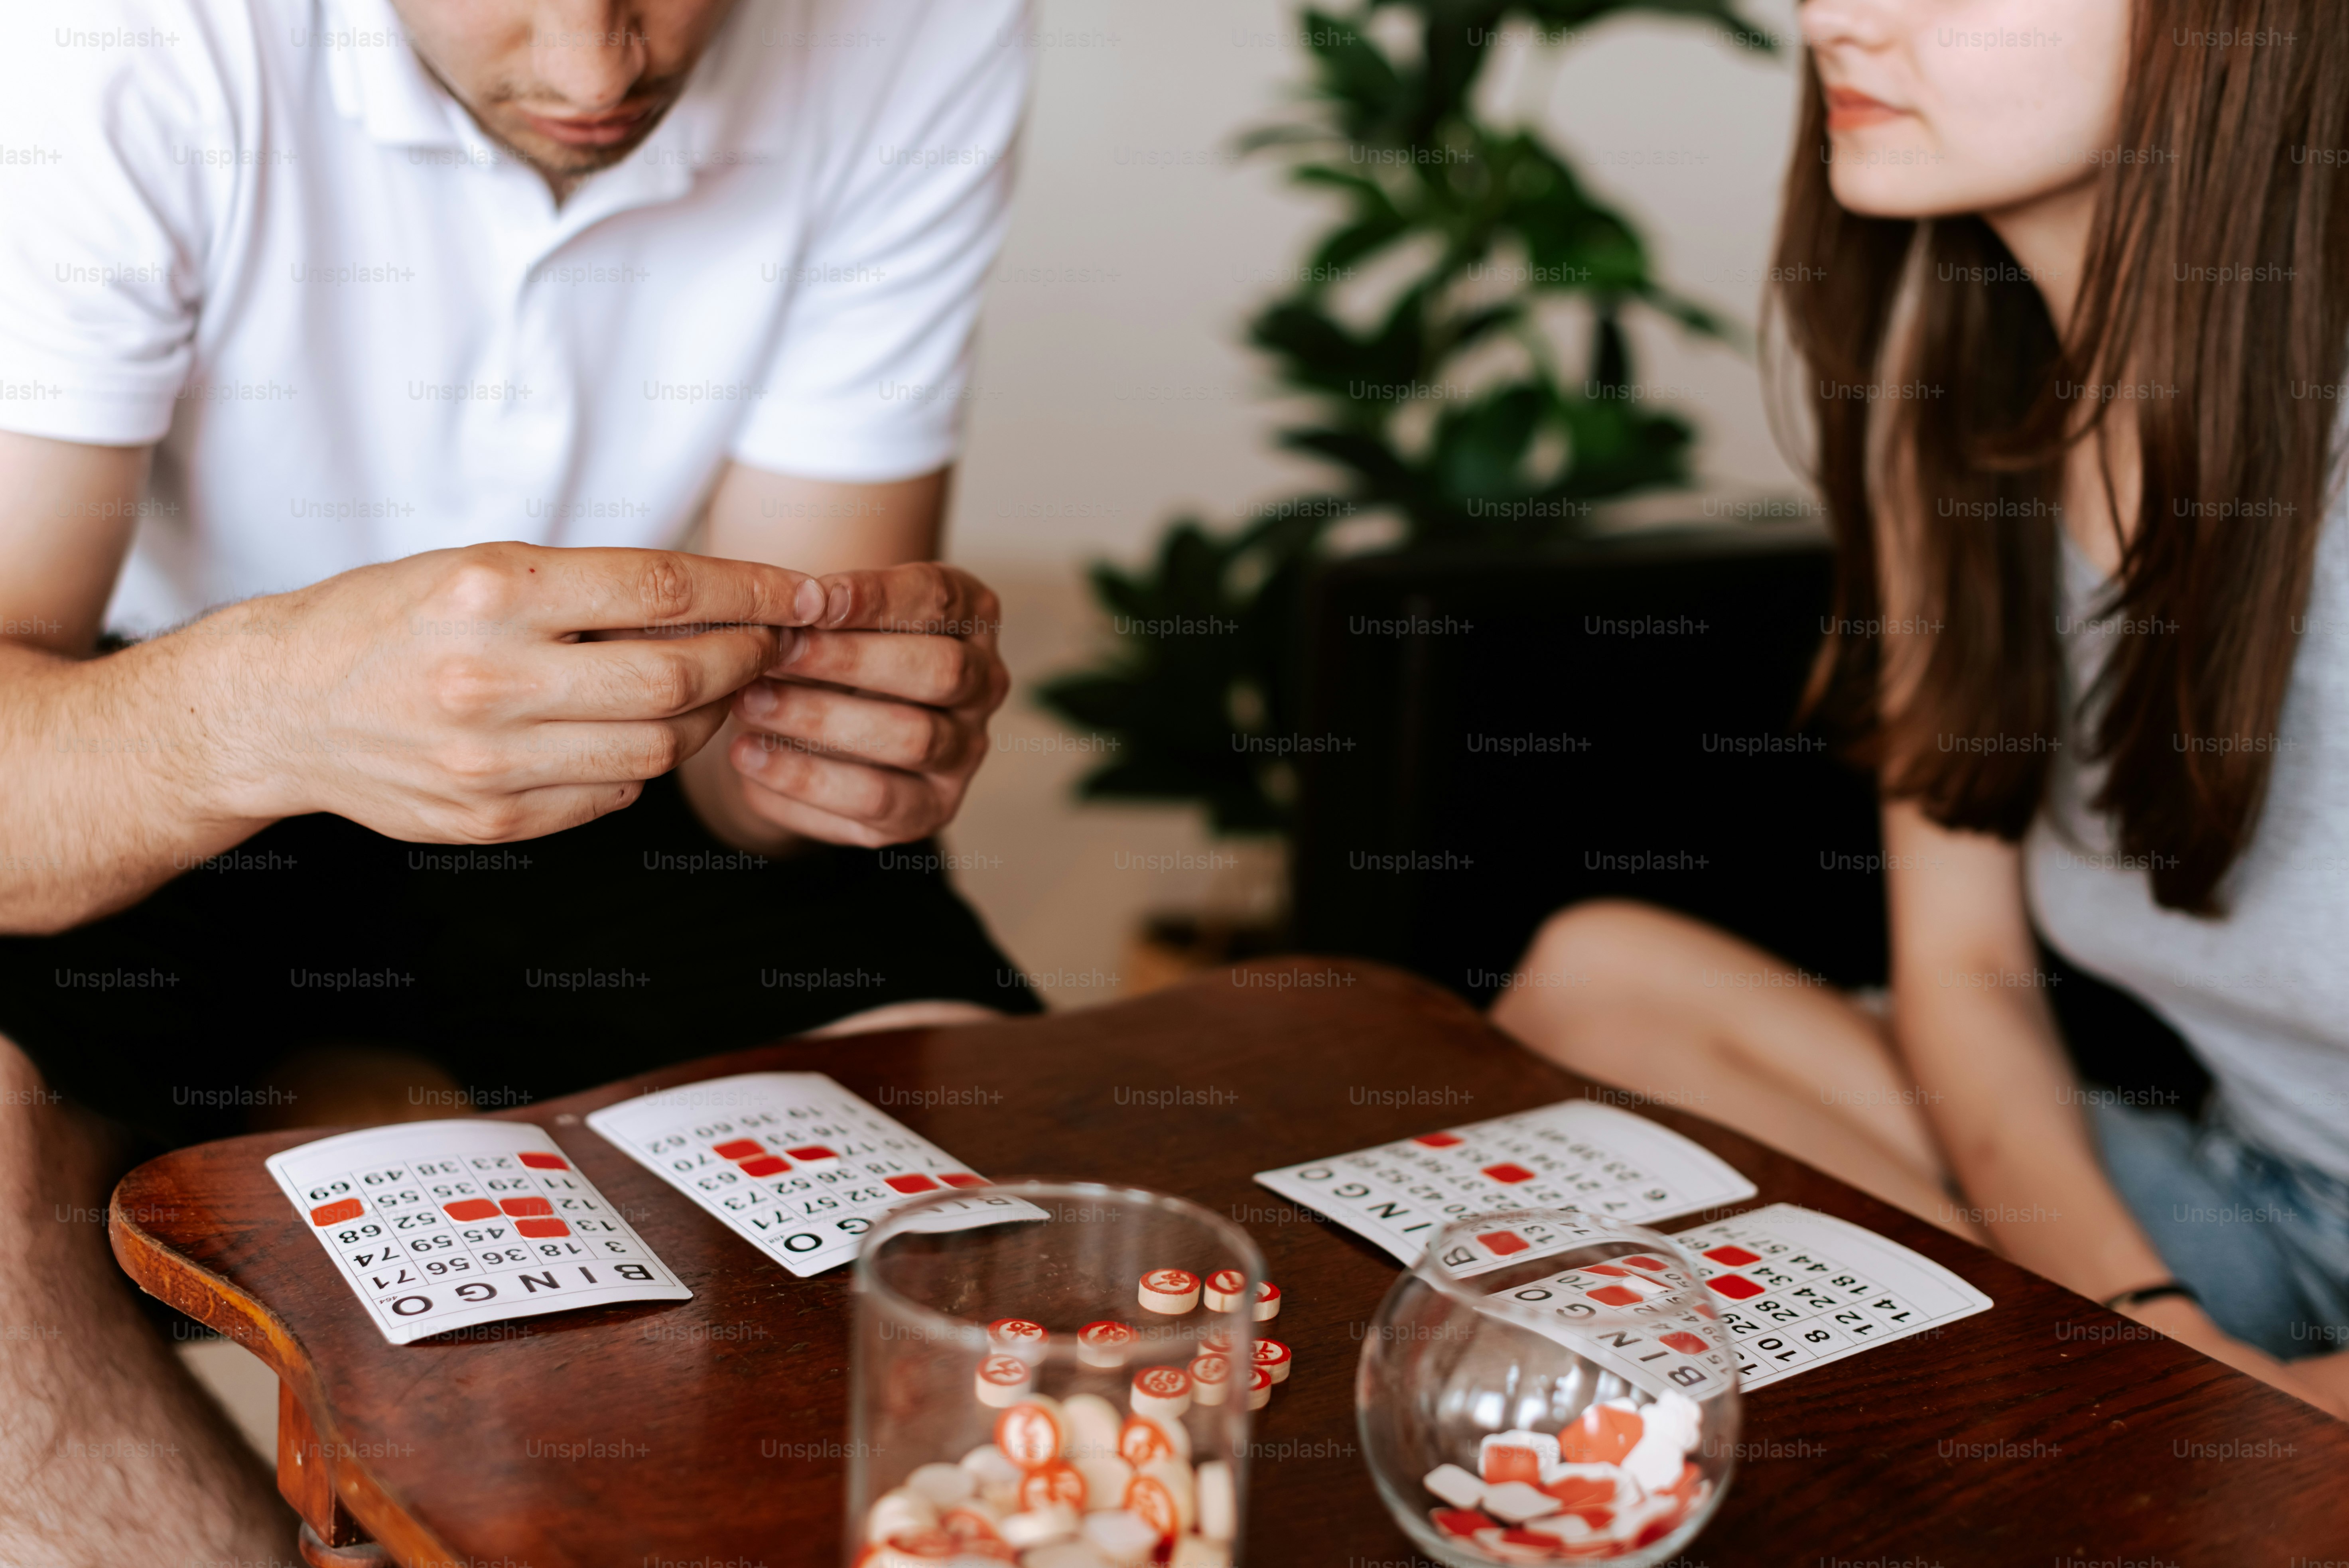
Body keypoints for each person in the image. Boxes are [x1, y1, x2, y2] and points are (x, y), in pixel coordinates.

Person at [0, 0, 1037, 1558]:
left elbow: (769, 773)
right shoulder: (119, 42)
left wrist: (836, 745)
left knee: (1007, 1228)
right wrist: (278, 706)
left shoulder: (924, 24)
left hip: (645, 775)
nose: (595, 75)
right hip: (164, 739)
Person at [1494, 0, 2349, 1420]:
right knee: (1599, 985)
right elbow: (1960, 972)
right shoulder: (1948, 416)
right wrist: (2154, 1336)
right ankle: (2092, 1392)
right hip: (2254, 1200)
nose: (1831, 14)